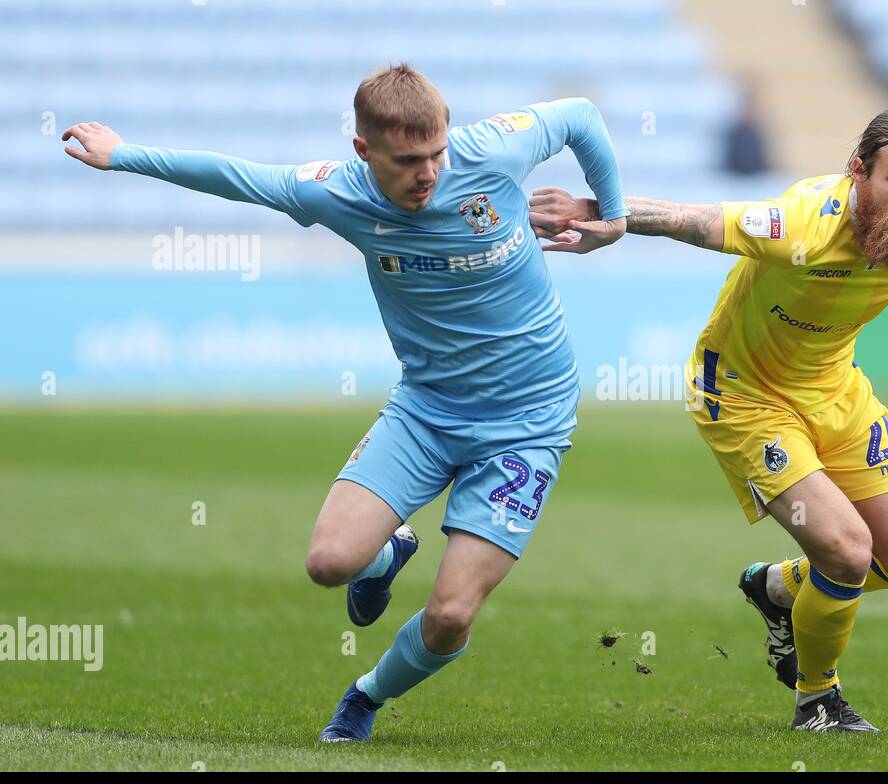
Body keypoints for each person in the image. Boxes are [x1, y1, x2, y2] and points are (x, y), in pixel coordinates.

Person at [63, 63, 628, 741]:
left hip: (527, 422)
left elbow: (581, 117)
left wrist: (615, 214)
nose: (429, 174)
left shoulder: (493, 150)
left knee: (450, 616)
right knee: (328, 564)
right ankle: (388, 554)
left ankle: (364, 696)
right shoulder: (339, 195)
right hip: (427, 411)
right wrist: (123, 155)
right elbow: (239, 176)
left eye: (437, 154)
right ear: (365, 153)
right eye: (409, 161)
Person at [531, 106, 888, 732]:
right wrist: (599, 214)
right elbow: (695, 219)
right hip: (745, 392)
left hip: (836, 390)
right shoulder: (807, 221)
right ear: (858, 172)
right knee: (846, 552)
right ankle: (819, 699)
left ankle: (779, 589)